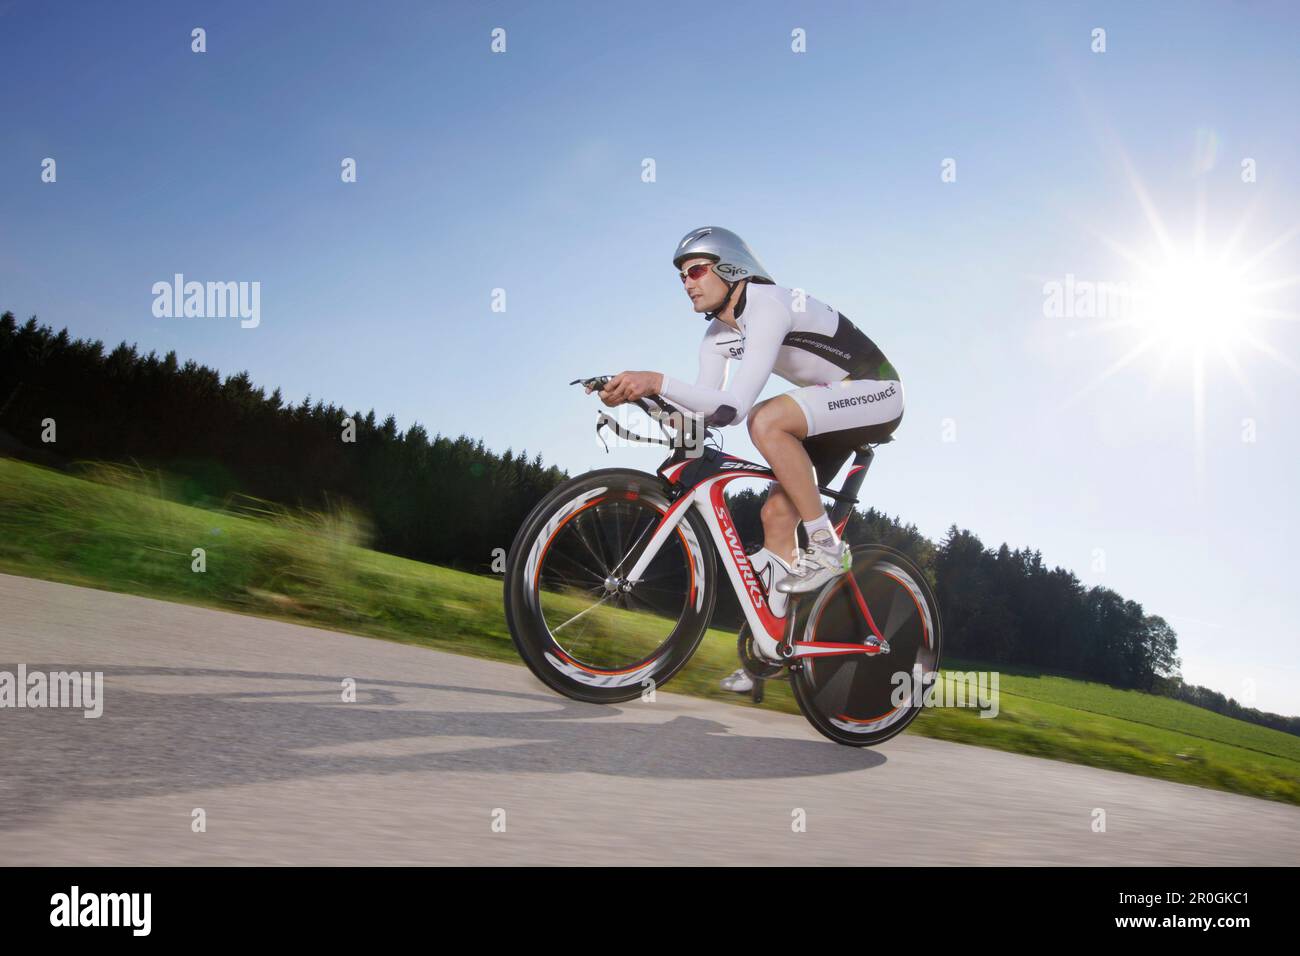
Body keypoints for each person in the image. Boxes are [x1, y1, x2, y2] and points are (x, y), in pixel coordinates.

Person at [596, 227, 904, 692]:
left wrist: (657, 380)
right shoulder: (717, 337)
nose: (688, 282)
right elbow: (706, 410)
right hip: (828, 410)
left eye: (696, 270)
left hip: (876, 393)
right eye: (682, 276)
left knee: (765, 418)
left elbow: (735, 409)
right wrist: (643, 400)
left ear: (731, 268)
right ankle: (770, 651)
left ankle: (825, 548)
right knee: (776, 515)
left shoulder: (768, 305)